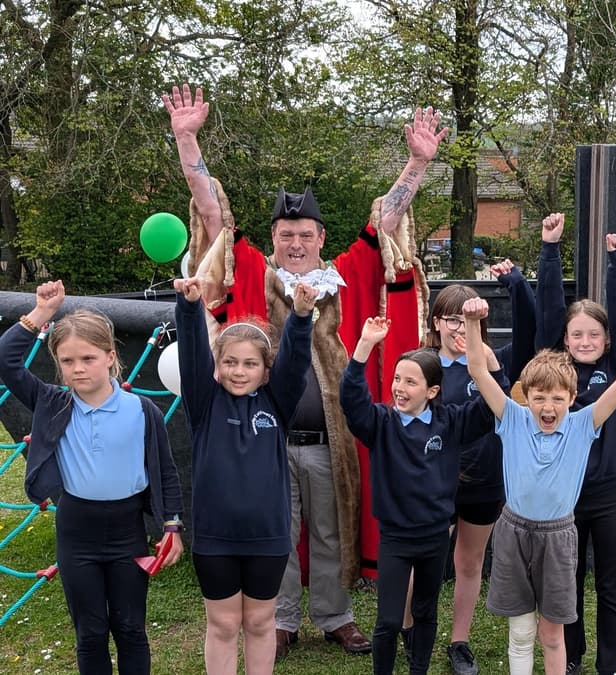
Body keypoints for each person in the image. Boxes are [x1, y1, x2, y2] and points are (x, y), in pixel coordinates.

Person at [164, 83, 442, 659]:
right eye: (286, 235)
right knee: (281, 530)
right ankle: (282, 618)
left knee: (332, 527)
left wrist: (416, 163)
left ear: (320, 238)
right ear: (274, 238)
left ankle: (335, 615)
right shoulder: (252, 271)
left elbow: (387, 221)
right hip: (266, 438)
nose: (296, 243)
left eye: (305, 235)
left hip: (332, 438)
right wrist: (187, 141)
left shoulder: (343, 275)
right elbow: (213, 214)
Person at [0, 280, 184, 674]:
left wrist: (172, 524)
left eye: (88, 358)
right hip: (77, 531)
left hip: (127, 530)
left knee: (131, 629)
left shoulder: (143, 410)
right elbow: (5, 360)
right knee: (90, 633)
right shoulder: (52, 403)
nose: (78, 368)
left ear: (110, 356)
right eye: (67, 361)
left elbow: (166, 472)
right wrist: (42, 313)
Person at [462, 296, 616, 675]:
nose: (548, 407)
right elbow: (479, 371)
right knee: (520, 632)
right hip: (514, 532)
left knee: (551, 634)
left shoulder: (584, 424)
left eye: (557, 399)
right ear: (526, 396)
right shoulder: (511, 417)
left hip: (559, 535)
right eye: (539, 398)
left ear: (572, 398)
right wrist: (471, 323)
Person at [174, 276, 315, 675]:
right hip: (215, 537)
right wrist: (189, 308)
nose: (239, 371)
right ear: (217, 367)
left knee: (259, 622)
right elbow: (191, 355)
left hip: (267, 537)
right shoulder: (204, 404)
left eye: (250, 363)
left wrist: (301, 317)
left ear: (266, 370)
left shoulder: (276, 402)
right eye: (230, 362)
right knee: (222, 625)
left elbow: (295, 363)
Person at [340, 318, 497, 675]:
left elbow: (490, 407)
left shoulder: (450, 422)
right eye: (397, 379)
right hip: (395, 539)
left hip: (434, 538)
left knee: (425, 613)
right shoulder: (380, 423)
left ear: (432, 391)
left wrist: (490, 363)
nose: (399, 388)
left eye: (410, 382)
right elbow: (351, 399)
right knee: (389, 620)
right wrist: (364, 346)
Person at [535, 212, 616, 675]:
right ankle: (571, 657)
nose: (585, 340)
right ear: (565, 339)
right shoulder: (555, 371)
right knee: (568, 583)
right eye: (576, 334)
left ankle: (609, 663)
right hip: (567, 495)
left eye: (594, 334)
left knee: (610, 584)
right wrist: (549, 250)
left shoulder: (615, 368)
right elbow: (548, 308)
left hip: (610, 493)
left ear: (607, 339)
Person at [421, 263, 535, 675]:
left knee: (469, 563)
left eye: (467, 319)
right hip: (434, 481)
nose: (458, 327)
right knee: (425, 560)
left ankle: (459, 641)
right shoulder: (424, 364)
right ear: (436, 322)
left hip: (485, 480)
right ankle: (411, 629)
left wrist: (516, 283)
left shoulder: (492, 362)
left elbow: (530, 333)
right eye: (451, 318)